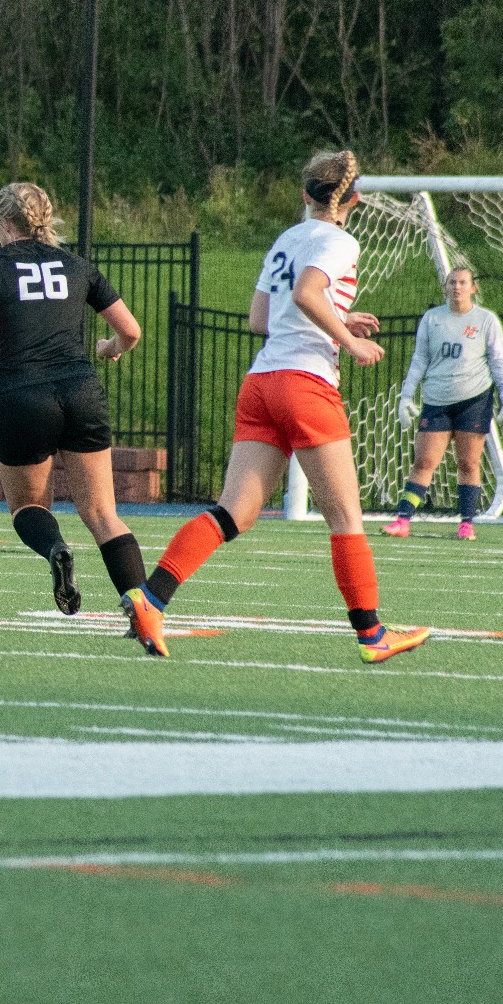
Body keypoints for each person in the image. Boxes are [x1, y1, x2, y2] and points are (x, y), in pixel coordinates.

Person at [124, 150, 431, 664]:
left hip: (262, 381)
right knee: (346, 517)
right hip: (305, 384)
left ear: (304, 195)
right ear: (351, 199)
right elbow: (311, 295)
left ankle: (151, 598)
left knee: (234, 512)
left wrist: (341, 317)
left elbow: (261, 318)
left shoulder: (286, 238)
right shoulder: (340, 239)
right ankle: (373, 634)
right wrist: (348, 340)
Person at [0, 182, 147, 616]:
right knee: (103, 514)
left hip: (24, 393)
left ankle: (56, 549)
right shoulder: (77, 265)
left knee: (27, 505)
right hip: (80, 390)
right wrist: (111, 349)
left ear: (5, 223)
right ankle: (145, 608)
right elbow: (132, 330)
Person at [383, 266, 503, 540]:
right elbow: (420, 358)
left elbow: (498, 362)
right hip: (436, 400)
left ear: (473, 288)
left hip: (474, 400)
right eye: (452, 282)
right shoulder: (432, 318)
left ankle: (466, 524)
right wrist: (406, 396)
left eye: (463, 282)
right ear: (445, 288)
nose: (457, 287)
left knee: (468, 464)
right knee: (423, 461)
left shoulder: (486, 320)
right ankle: (402, 521)